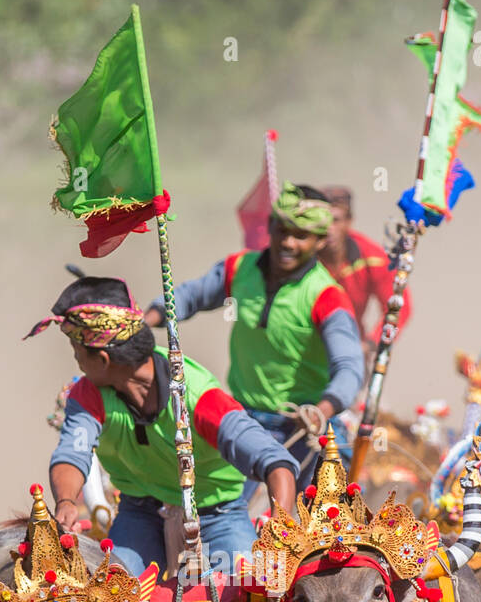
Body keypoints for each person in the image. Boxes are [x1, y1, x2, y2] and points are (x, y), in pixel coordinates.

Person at [26, 275, 298, 583]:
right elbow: (72, 453)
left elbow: (276, 464)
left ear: (103, 359)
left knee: (255, 596)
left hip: (217, 515)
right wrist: (64, 503)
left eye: (77, 350)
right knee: (113, 593)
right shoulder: (87, 396)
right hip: (139, 515)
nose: (76, 361)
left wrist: (281, 533)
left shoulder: (198, 398)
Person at [143, 182, 363, 489]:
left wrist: (321, 411)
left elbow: (350, 368)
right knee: (218, 512)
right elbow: (191, 296)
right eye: (281, 229)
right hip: (244, 421)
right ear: (270, 226)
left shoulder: (327, 296)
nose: (287, 242)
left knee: (324, 523)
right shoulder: (240, 268)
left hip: (304, 428)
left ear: (320, 241)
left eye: (300, 235)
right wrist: (143, 321)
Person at [318, 185, 412, 365]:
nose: (329, 228)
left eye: (335, 220)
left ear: (349, 221)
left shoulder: (372, 259)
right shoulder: (301, 255)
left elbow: (399, 308)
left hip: (350, 348)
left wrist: (370, 344)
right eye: (323, 220)